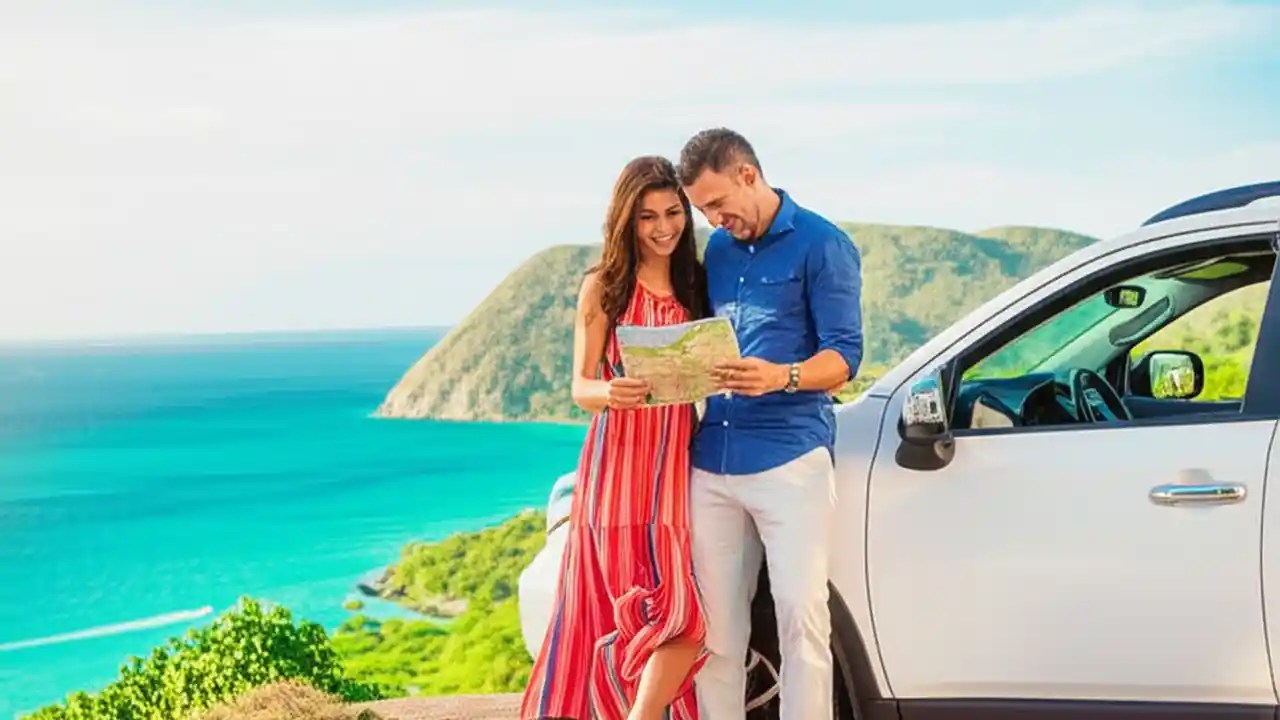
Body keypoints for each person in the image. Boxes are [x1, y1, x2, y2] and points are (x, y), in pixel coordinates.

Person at [676, 128, 863, 720]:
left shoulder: (824, 244)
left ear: (748, 176)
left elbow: (844, 358)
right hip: (711, 463)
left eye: (716, 204)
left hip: (790, 461)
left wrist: (778, 376)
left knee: (800, 618)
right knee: (718, 633)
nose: (712, 219)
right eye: (702, 211)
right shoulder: (721, 252)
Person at [520, 155, 712, 720]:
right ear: (626, 221)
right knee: (612, 613)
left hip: (675, 464)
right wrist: (613, 392)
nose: (662, 228)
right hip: (616, 468)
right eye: (647, 217)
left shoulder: (694, 281)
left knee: (679, 615)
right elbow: (581, 386)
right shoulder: (603, 287)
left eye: (673, 213)